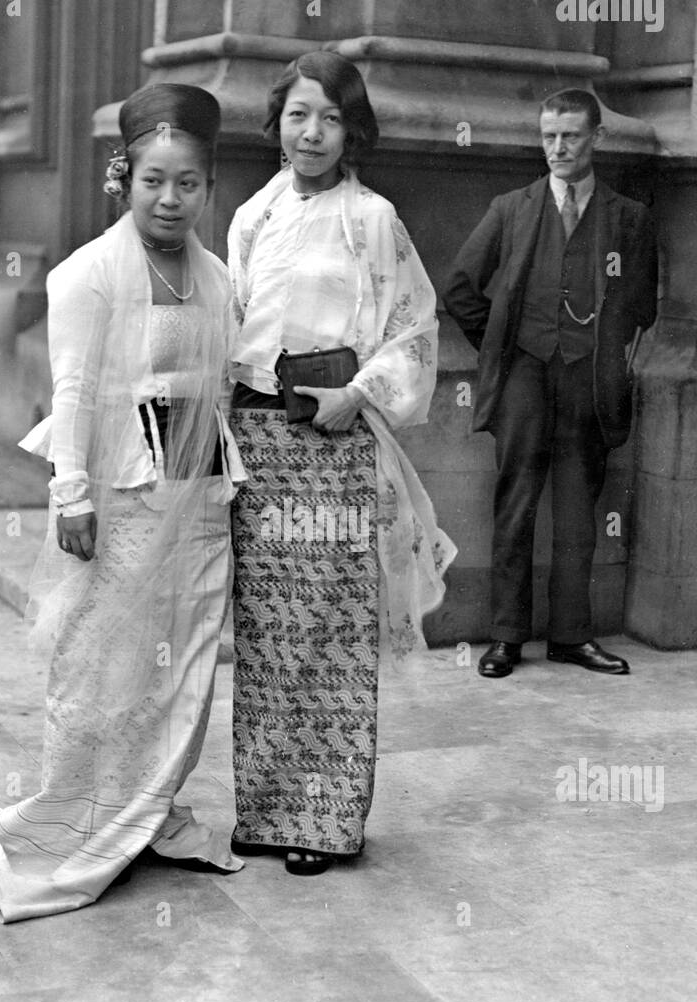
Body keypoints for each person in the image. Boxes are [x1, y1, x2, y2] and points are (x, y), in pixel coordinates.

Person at [0, 84, 247, 922]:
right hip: (120, 500)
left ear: (206, 185)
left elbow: (222, 387)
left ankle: (147, 811)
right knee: (98, 663)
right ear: (125, 177)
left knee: (185, 662)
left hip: (197, 502)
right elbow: (75, 390)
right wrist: (70, 493)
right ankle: (80, 817)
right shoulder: (87, 276)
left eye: (187, 183)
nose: (169, 199)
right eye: (154, 180)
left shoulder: (218, 278)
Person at [227, 51, 455, 877]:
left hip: (334, 445)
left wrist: (357, 393)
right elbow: (236, 324)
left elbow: (414, 328)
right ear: (277, 123)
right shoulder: (252, 214)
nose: (312, 132)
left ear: (351, 127)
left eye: (328, 117)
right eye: (297, 115)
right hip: (259, 441)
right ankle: (263, 808)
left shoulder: (374, 220)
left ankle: (323, 821)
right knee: (268, 634)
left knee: (331, 634)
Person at [444, 88, 657, 680]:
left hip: (588, 381)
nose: (558, 148)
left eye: (571, 136)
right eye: (549, 136)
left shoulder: (629, 218)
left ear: (597, 138)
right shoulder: (512, 208)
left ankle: (571, 636)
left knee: (577, 516)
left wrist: (601, 344)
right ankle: (507, 637)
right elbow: (460, 287)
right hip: (524, 378)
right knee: (515, 508)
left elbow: (642, 305)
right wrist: (504, 345)